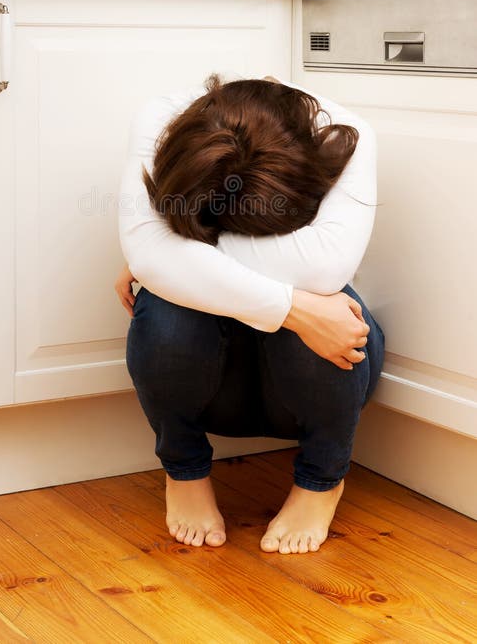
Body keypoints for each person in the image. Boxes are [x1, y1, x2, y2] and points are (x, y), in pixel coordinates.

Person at [115, 73, 385, 555]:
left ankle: (321, 482)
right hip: (214, 386)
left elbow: (324, 269)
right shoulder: (161, 120)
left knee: (325, 303)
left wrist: (167, 255)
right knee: (166, 303)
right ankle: (185, 473)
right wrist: (294, 307)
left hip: (319, 376)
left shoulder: (344, 133)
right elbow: (155, 261)